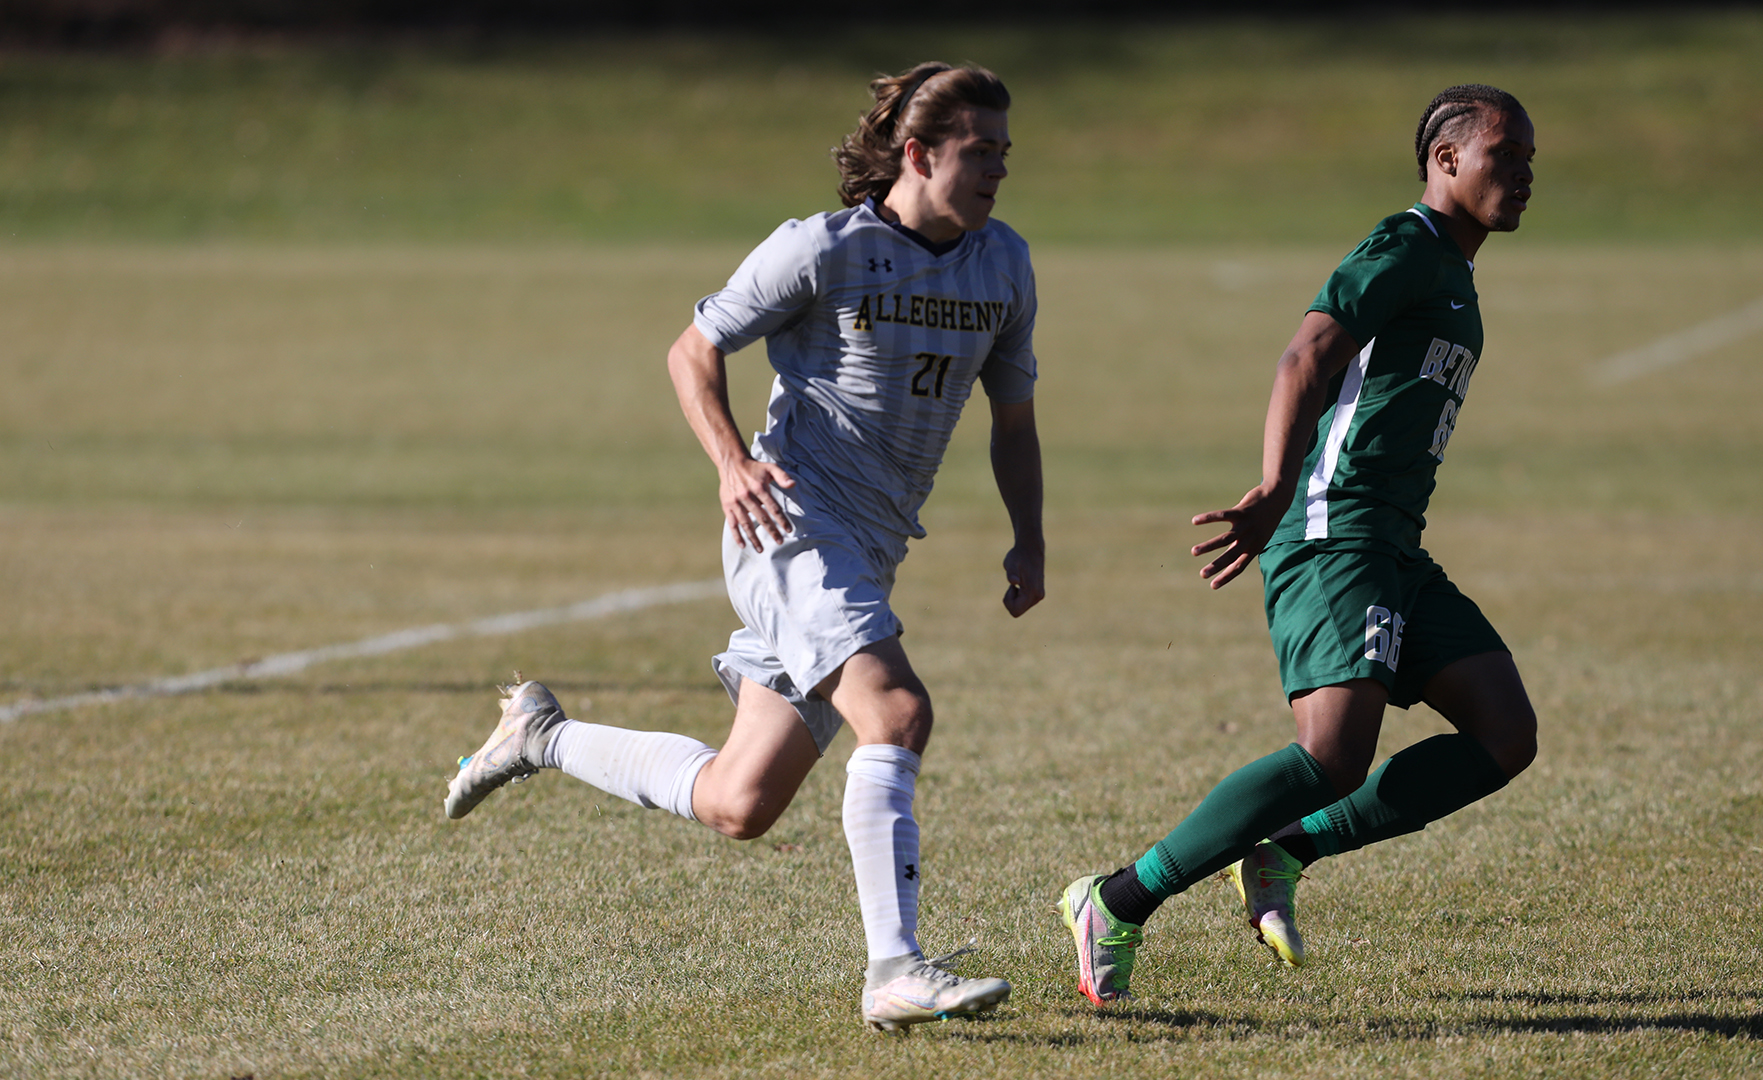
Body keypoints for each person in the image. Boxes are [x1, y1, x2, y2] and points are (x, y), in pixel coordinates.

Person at [443, 61, 1045, 1033]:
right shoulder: (823, 248)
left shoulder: (1004, 262)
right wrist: (731, 463)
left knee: (740, 799)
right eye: (980, 153)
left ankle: (540, 736)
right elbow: (692, 351)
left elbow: (1012, 421)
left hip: (870, 547)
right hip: (790, 529)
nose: (997, 172)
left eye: (1005, 156)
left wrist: (1031, 541)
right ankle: (894, 968)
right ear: (919, 153)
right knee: (895, 711)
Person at [1060, 84, 1539, 1004]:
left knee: (1503, 732)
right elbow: (1306, 354)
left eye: (1528, 162)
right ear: (1445, 161)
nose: (1521, 176)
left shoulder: (1455, 275)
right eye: (1502, 156)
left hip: (1396, 545)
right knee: (1331, 753)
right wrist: (1277, 488)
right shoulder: (1404, 247)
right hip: (1335, 529)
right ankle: (1114, 900)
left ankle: (1284, 854)